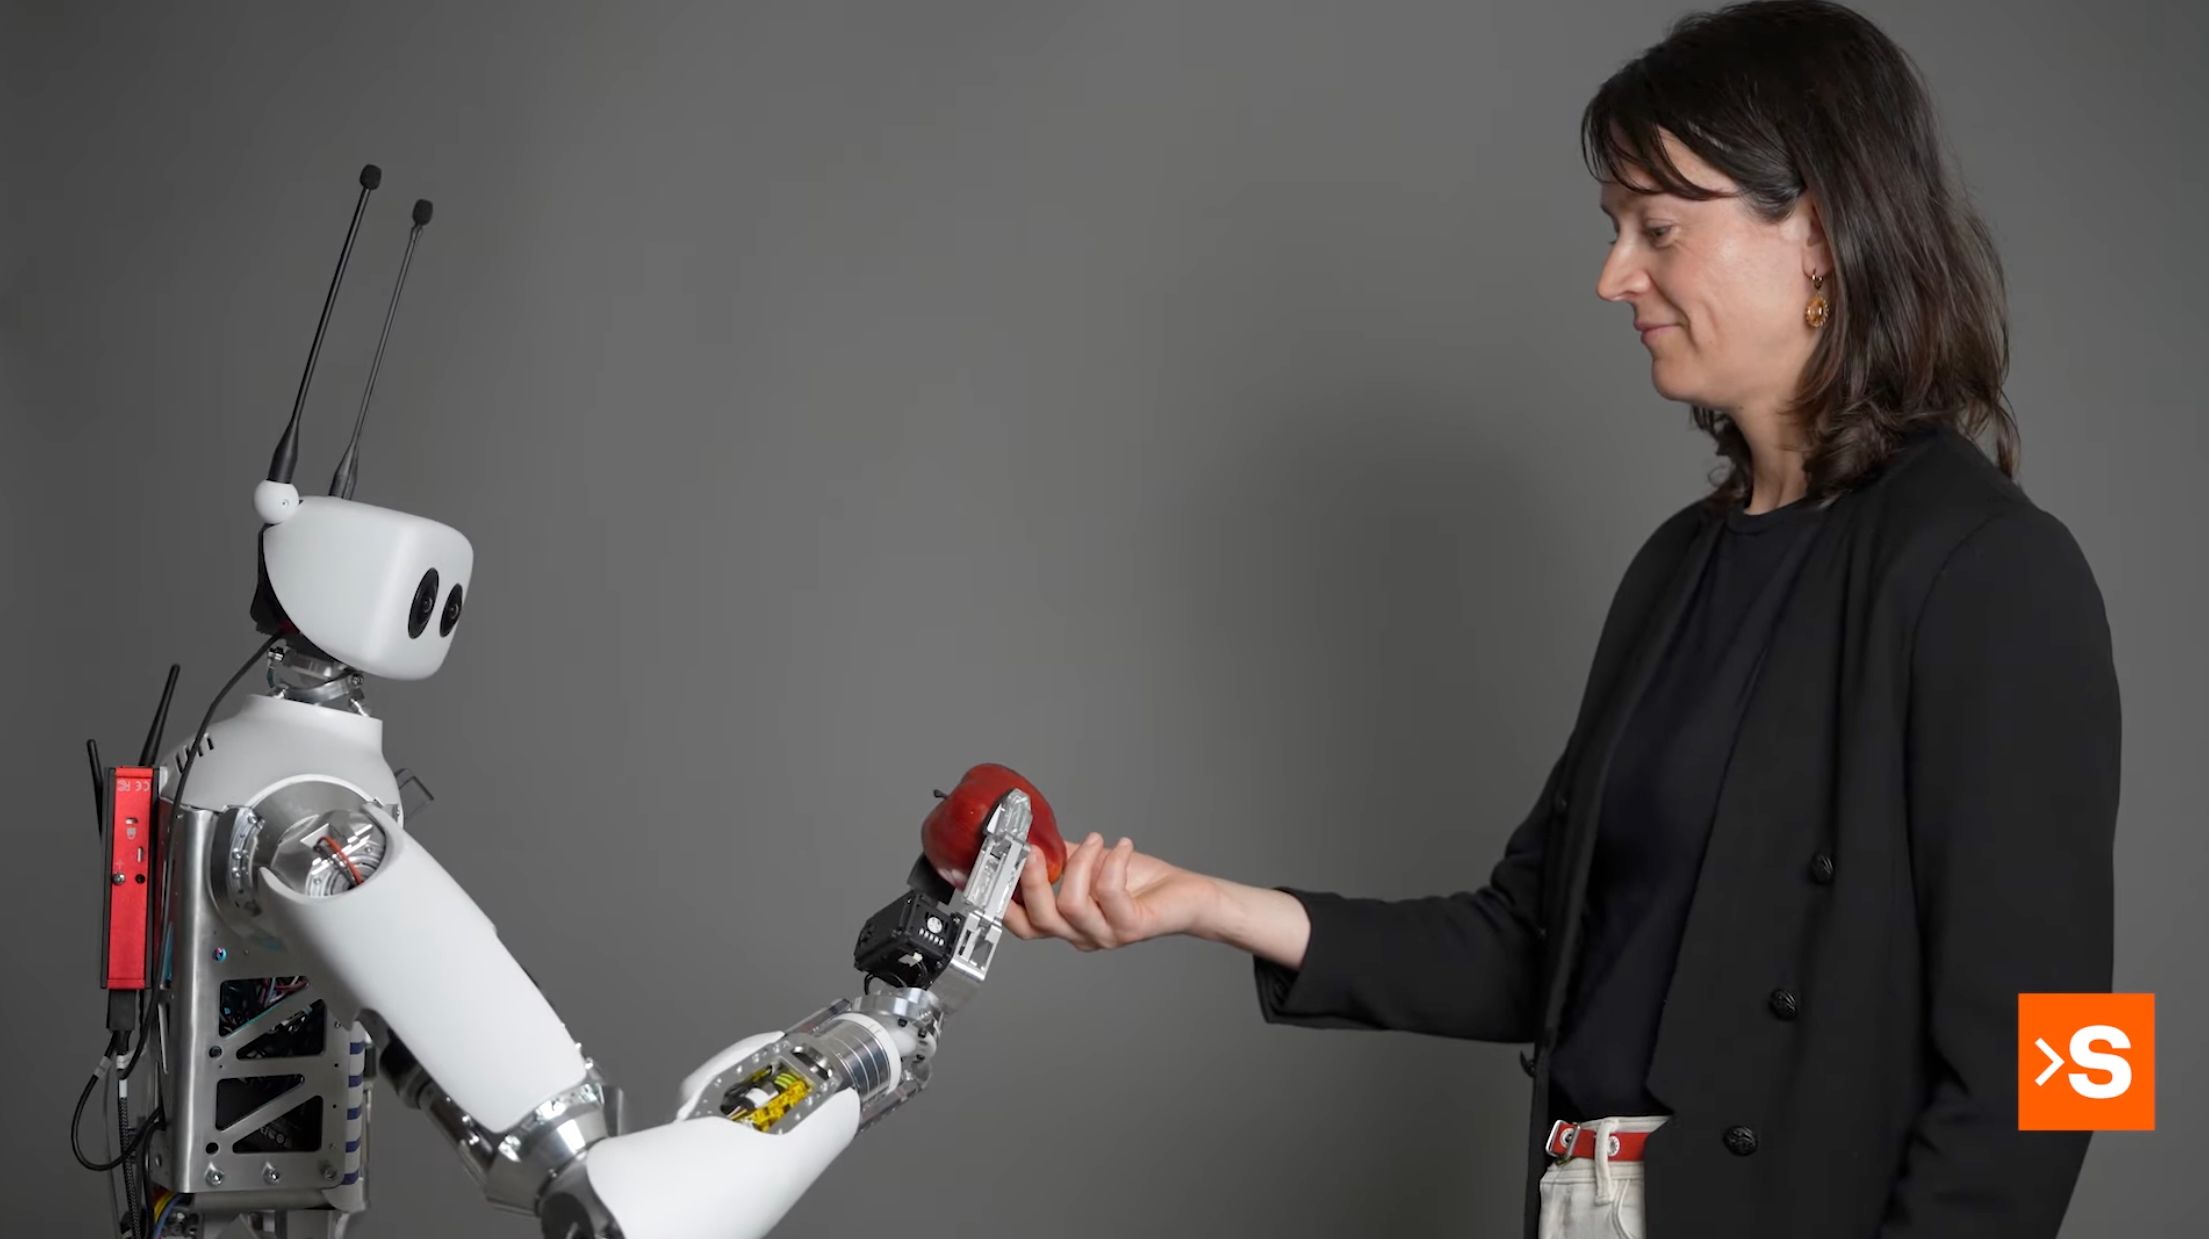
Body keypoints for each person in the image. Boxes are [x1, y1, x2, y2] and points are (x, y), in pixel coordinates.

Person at [1003, 2, 2122, 1237]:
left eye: (1659, 228)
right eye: (1612, 227)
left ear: (1816, 229)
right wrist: (1201, 904)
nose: (1613, 276)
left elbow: (2076, 1049)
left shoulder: (1986, 569)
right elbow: (1535, 943)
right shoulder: (1676, 568)